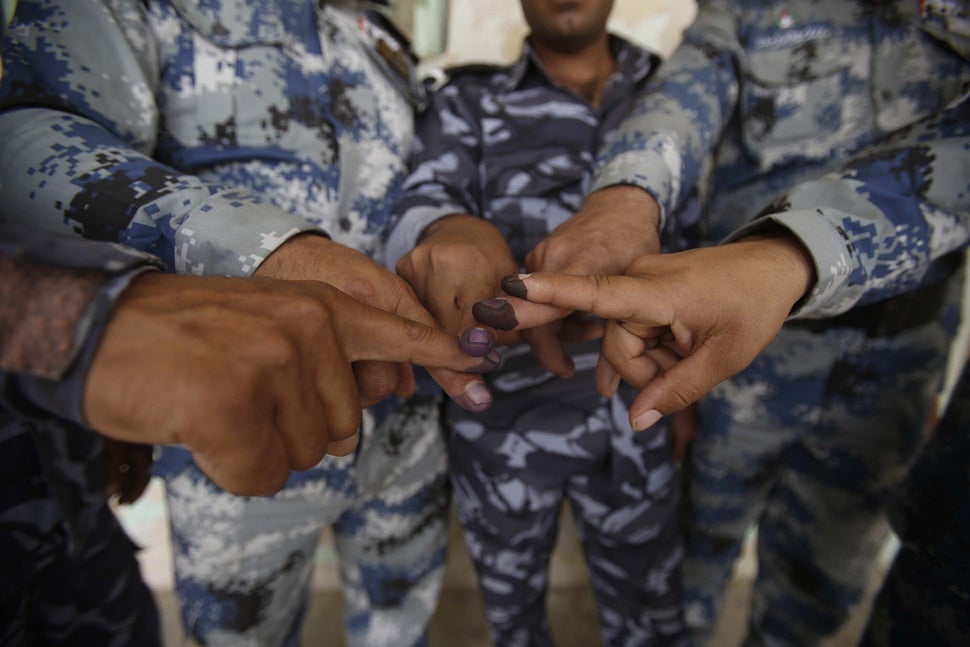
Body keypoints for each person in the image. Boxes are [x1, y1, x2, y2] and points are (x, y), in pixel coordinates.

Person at [470, 0, 970, 643]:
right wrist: (625, 196)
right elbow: (684, 92)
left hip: (902, 355)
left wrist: (789, 255)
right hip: (730, 353)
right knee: (694, 568)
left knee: (817, 590)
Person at [0, 1, 498, 645]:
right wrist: (260, 249)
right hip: (245, 435)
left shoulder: (377, 30)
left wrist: (450, 221)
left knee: (402, 626)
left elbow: (423, 171)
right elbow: (26, 143)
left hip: (406, 421)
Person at [0, 224, 498, 645]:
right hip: (235, 435)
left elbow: (443, 144)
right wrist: (92, 322)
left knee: (401, 625)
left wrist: (450, 222)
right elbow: (53, 135)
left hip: (407, 431)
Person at [385, 1, 688, 644]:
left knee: (651, 618)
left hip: (645, 407)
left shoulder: (675, 89)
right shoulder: (468, 100)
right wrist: (453, 229)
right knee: (513, 619)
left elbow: (704, 237)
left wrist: (693, 390)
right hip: (506, 419)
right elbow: (427, 198)